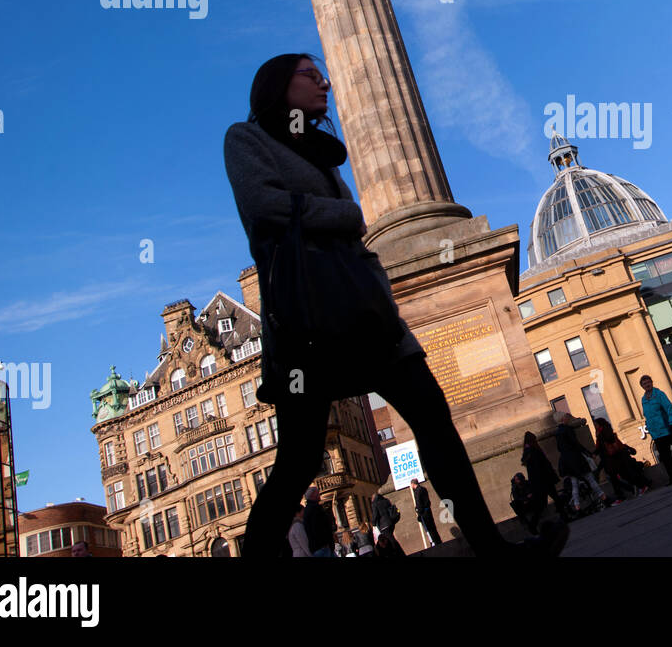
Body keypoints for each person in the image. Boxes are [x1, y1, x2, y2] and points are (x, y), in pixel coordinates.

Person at [224, 53, 566, 558]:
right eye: (310, 75)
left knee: (434, 421)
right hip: (307, 319)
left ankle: (494, 546)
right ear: (277, 86)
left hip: (367, 313)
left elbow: (350, 231)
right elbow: (263, 208)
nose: (326, 82)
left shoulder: (322, 152)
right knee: (298, 461)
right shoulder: (246, 138)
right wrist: (344, 211)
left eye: (323, 75)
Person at [555, 413, 610, 513]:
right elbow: (576, 444)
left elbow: (559, 448)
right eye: (566, 417)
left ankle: (577, 507)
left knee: (574, 484)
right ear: (563, 419)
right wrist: (588, 453)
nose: (568, 419)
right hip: (576, 459)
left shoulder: (557, 432)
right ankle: (604, 497)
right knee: (590, 478)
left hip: (567, 461)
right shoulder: (568, 429)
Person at [593, 416, 650, 499]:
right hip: (612, 458)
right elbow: (600, 447)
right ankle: (638, 487)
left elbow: (609, 439)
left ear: (600, 424)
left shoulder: (605, 430)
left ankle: (642, 486)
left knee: (627, 474)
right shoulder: (600, 432)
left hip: (616, 457)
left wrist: (599, 436)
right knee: (623, 475)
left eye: (596, 424)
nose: (595, 426)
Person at [521, 431, 567, 518]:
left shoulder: (527, 452)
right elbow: (542, 465)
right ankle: (563, 515)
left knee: (546, 502)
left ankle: (564, 515)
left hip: (540, 482)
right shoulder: (534, 450)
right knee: (552, 499)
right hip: (544, 480)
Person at [303, 485, 336, 557]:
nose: (319, 494)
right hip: (323, 547)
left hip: (317, 547)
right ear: (312, 495)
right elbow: (319, 528)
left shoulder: (308, 510)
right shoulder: (315, 509)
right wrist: (327, 542)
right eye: (317, 493)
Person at [370, 487, 403, 555]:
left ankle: (399, 552)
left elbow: (375, 515)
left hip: (384, 525)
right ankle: (396, 552)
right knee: (390, 538)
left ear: (373, 499)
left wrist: (373, 523)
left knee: (390, 540)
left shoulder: (375, 504)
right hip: (391, 522)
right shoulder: (386, 500)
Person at [410, 478, 441, 546]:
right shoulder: (423, 488)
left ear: (413, 484)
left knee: (429, 529)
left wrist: (419, 512)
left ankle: (434, 542)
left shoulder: (417, 491)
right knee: (433, 527)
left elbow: (419, 503)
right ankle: (438, 541)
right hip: (428, 510)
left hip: (424, 512)